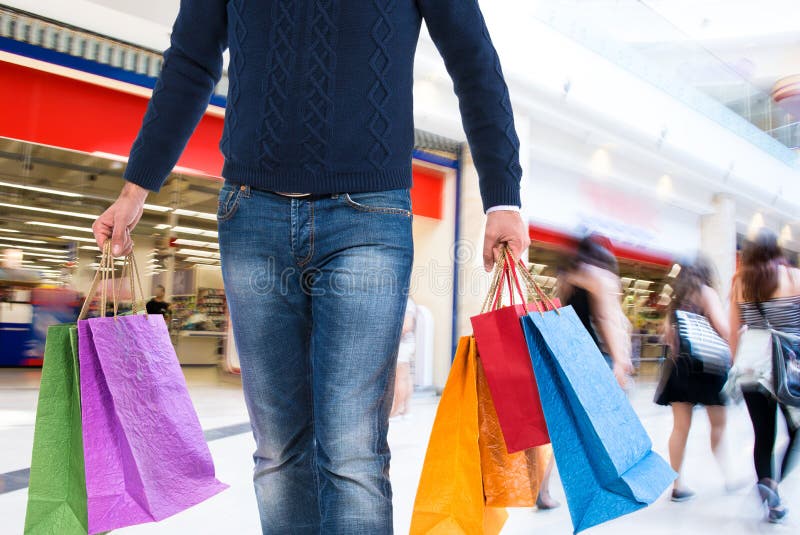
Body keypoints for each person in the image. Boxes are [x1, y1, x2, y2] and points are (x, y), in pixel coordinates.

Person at [90, 2, 530, 533]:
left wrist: (502, 196)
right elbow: (191, 59)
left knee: (351, 450)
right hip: (252, 213)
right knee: (277, 450)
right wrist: (137, 187)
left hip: (368, 216)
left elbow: (473, 59)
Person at [535, 235, 633, 510]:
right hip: (591, 361)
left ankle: (542, 489)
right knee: (608, 425)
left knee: (564, 426)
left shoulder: (569, 276)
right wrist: (619, 361)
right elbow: (607, 319)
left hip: (567, 355)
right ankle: (612, 483)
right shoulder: (601, 277)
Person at [729, 229, 800, 524]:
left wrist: (738, 363)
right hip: (787, 363)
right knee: (796, 428)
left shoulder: (739, 281)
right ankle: (773, 483)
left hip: (751, 362)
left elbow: (734, 330)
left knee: (763, 434)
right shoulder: (794, 276)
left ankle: (770, 494)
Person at [654, 256, 730, 502]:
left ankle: (678, 485)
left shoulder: (676, 301)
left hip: (680, 370)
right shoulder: (706, 292)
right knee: (718, 424)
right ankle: (728, 476)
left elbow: (667, 338)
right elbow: (722, 327)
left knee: (679, 429)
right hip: (707, 368)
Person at [390, 297, 416, 420]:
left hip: (402, 345)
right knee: (406, 377)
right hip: (407, 345)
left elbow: (407, 326)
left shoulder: (406, 302)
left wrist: (389, 337)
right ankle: (406, 410)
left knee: (399, 378)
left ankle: (396, 410)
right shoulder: (409, 302)